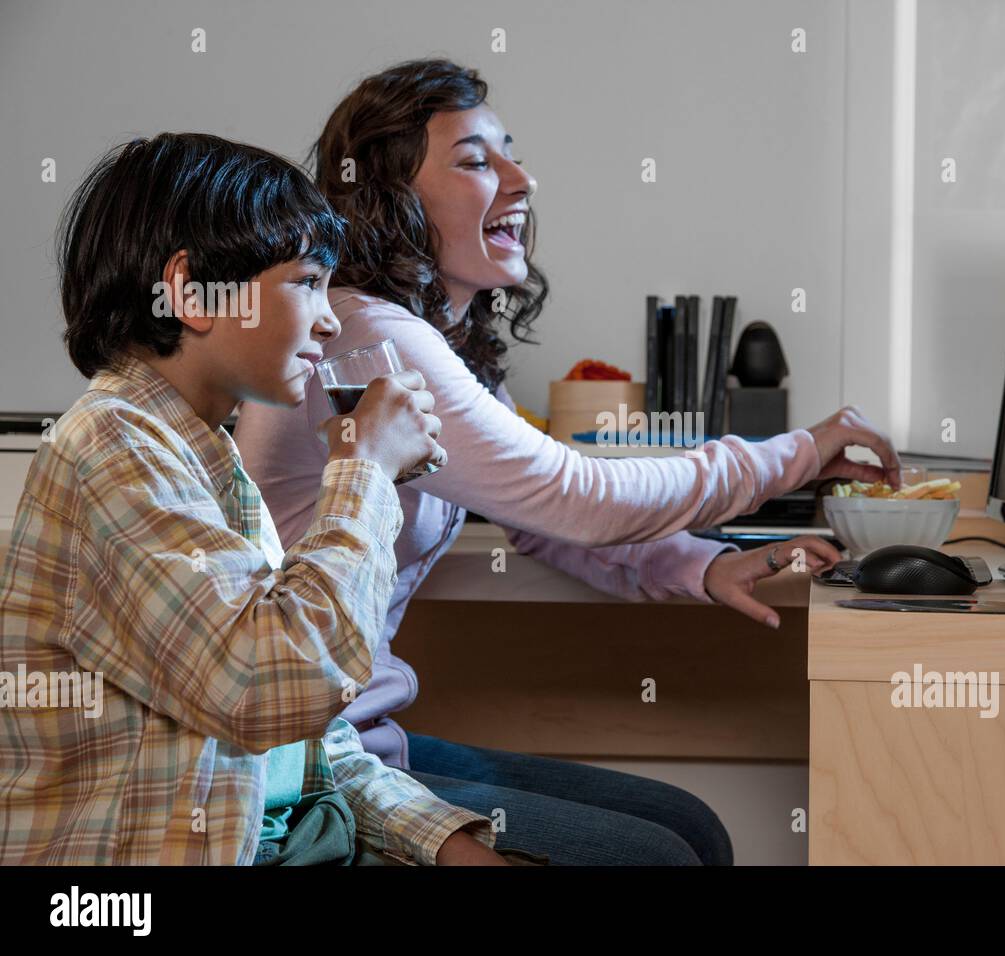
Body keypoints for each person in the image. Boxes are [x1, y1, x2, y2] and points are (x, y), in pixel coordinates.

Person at [234, 59, 902, 866]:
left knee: (691, 827)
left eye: (510, 154)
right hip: (304, 762)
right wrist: (795, 454)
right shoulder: (368, 336)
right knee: (657, 857)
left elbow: (534, 519)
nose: (522, 178)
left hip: (364, 738)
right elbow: (569, 494)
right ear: (393, 197)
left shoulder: (442, 346)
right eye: (477, 161)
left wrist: (697, 566)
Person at [0, 132, 519, 866]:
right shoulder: (113, 447)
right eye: (307, 281)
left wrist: (443, 842)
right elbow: (269, 685)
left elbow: (311, 744)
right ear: (191, 292)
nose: (331, 317)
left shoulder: (210, 459)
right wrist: (363, 468)